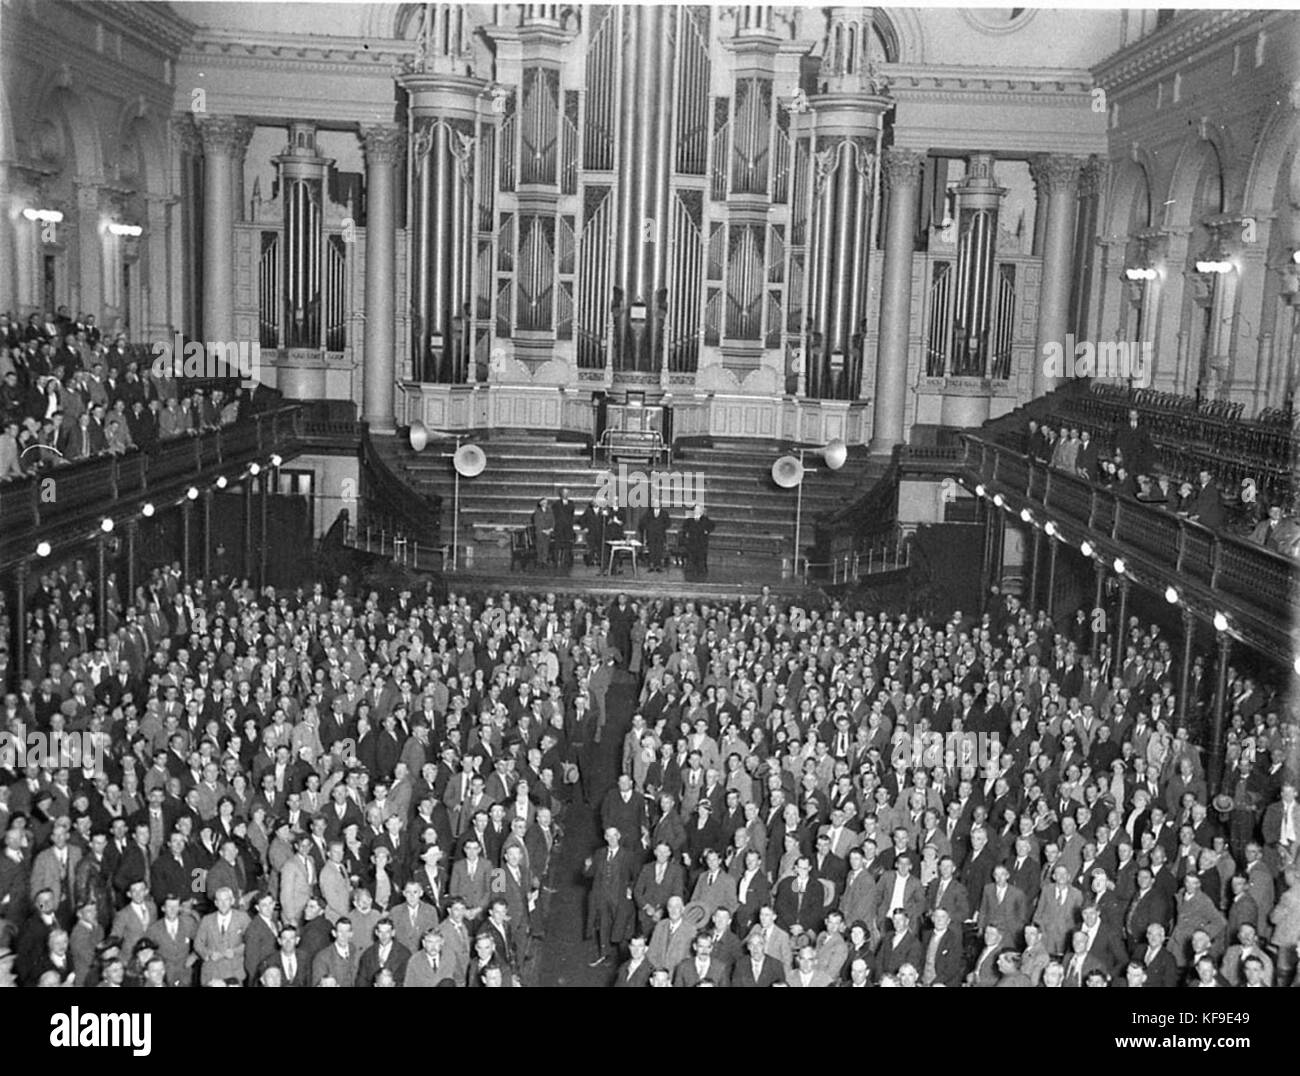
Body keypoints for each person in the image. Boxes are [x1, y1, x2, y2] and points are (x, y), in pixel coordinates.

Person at [681, 504, 715, 582]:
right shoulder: (689, 520)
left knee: (701, 558)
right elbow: (684, 527)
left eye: (699, 510)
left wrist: (707, 531)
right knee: (691, 557)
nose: (697, 511)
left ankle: (701, 572)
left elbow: (712, 526)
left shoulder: (705, 520)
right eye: (696, 510)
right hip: (692, 542)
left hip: (701, 542)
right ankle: (690, 572)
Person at [530, 497, 554, 568]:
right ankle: (539, 561)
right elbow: (537, 523)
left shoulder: (550, 511)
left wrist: (550, 529)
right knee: (540, 547)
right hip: (540, 532)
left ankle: (544, 561)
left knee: (546, 547)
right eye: (543, 503)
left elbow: (553, 521)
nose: (545, 504)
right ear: (540, 504)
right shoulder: (537, 512)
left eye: (546, 503)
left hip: (548, 532)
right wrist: (543, 530)